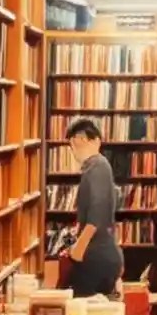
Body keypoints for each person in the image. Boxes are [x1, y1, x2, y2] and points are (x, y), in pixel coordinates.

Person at [65, 118, 123, 297]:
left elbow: (97, 213)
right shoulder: (97, 167)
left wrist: (78, 249)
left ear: (80, 140)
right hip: (101, 253)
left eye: (71, 146)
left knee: (83, 314)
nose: (72, 153)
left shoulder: (97, 166)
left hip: (96, 255)